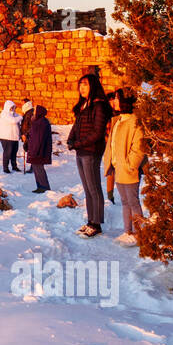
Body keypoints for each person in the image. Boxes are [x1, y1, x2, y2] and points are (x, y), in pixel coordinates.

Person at [66, 72, 112, 237]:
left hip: (91, 152)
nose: (81, 87)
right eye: (80, 84)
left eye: (85, 84)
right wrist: (71, 139)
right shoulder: (83, 106)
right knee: (87, 189)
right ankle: (90, 221)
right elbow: (76, 126)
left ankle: (97, 224)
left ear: (93, 85)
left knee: (94, 188)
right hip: (80, 151)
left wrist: (77, 143)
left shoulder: (99, 106)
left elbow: (98, 132)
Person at [103, 88, 147, 241]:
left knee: (133, 202)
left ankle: (140, 234)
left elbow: (140, 147)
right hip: (118, 168)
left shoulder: (134, 121)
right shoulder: (118, 120)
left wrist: (130, 165)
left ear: (125, 101)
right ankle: (128, 232)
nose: (114, 101)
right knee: (125, 202)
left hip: (128, 169)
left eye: (116, 98)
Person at [26, 104, 52, 193]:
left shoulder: (41, 123)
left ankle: (44, 187)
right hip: (37, 149)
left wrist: (34, 151)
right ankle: (40, 186)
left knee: (39, 168)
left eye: (35, 111)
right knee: (36, 168)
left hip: (39, 150)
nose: (33, 113)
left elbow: (39, 139)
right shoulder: (38, 122)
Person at [0, 100, 22, 173]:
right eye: (11, 107)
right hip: (6, 137)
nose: (13, 108)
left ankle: (14, 166)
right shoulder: (4, 114)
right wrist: (21, 116)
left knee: (14, 152)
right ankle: (5, 168)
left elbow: (18, 118)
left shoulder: (14, 114)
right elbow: (13, 121)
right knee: (7, 153)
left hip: (14, 137)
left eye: (13, 107)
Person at [19, 100, 35, 172]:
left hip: (29, 136)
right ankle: (33, 167)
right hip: (28, 135)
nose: (21, 105)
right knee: (30, 151)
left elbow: (31, 126)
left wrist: (25, 134)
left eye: (22, 103)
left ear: (26, 104)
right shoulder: (27, 112)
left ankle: (33, 167)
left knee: (31, 151)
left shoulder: (30, 113)